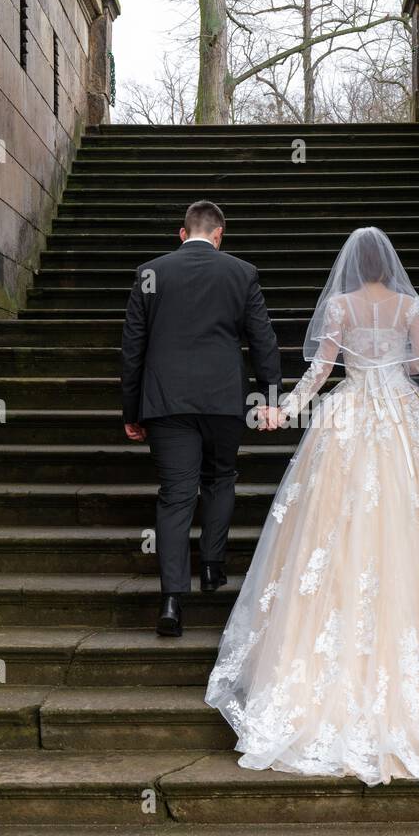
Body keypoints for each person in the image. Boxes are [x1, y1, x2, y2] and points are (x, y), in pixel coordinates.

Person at [205, 225, 419, 784]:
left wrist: (286, 408)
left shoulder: (341, 307)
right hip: (404, 418)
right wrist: (392, 360)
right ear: (387, 264)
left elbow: (320, 372)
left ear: (351, 265)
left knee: (333, 534)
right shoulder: (409, 303)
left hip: (348, 419)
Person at [121, 199, 282, 636]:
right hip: (225, 400)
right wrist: (269, 399)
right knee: (221, 477)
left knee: (175, 495)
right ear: (219, 235)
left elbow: (132, 348)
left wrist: (132, 410)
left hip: (166, 401)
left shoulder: (150, 273)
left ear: (181, 232)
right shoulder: (242, 273)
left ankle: (172, 601)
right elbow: (263, 341)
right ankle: (211, 566)